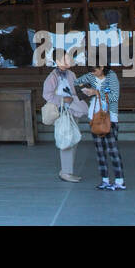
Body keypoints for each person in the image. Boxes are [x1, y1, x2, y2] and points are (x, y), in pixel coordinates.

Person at [42, 49, 88, 182]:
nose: (69, 61)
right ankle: (66, 172)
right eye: (66, 58)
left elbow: (77, 89)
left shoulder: (71, 74)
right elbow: (47, 94)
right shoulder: (53, 77)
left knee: (73, 139)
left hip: (73, 110)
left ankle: (68, 171)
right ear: (57, 61)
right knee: (66, 140)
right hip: (62, 112)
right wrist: (63, 99)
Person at [78, 62, 124, 190]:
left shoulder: (111, 77)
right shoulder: (91, 77)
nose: (93, 73)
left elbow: (114, 96)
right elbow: (77, 83)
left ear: (102, 67)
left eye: (95, 70)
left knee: (112, 150)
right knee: (99, 151)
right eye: (91, 71)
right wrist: (84, 89)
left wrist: (96, 92)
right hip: (94, 117)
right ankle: (105, 180)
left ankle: (119, 181)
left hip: (110, 118)